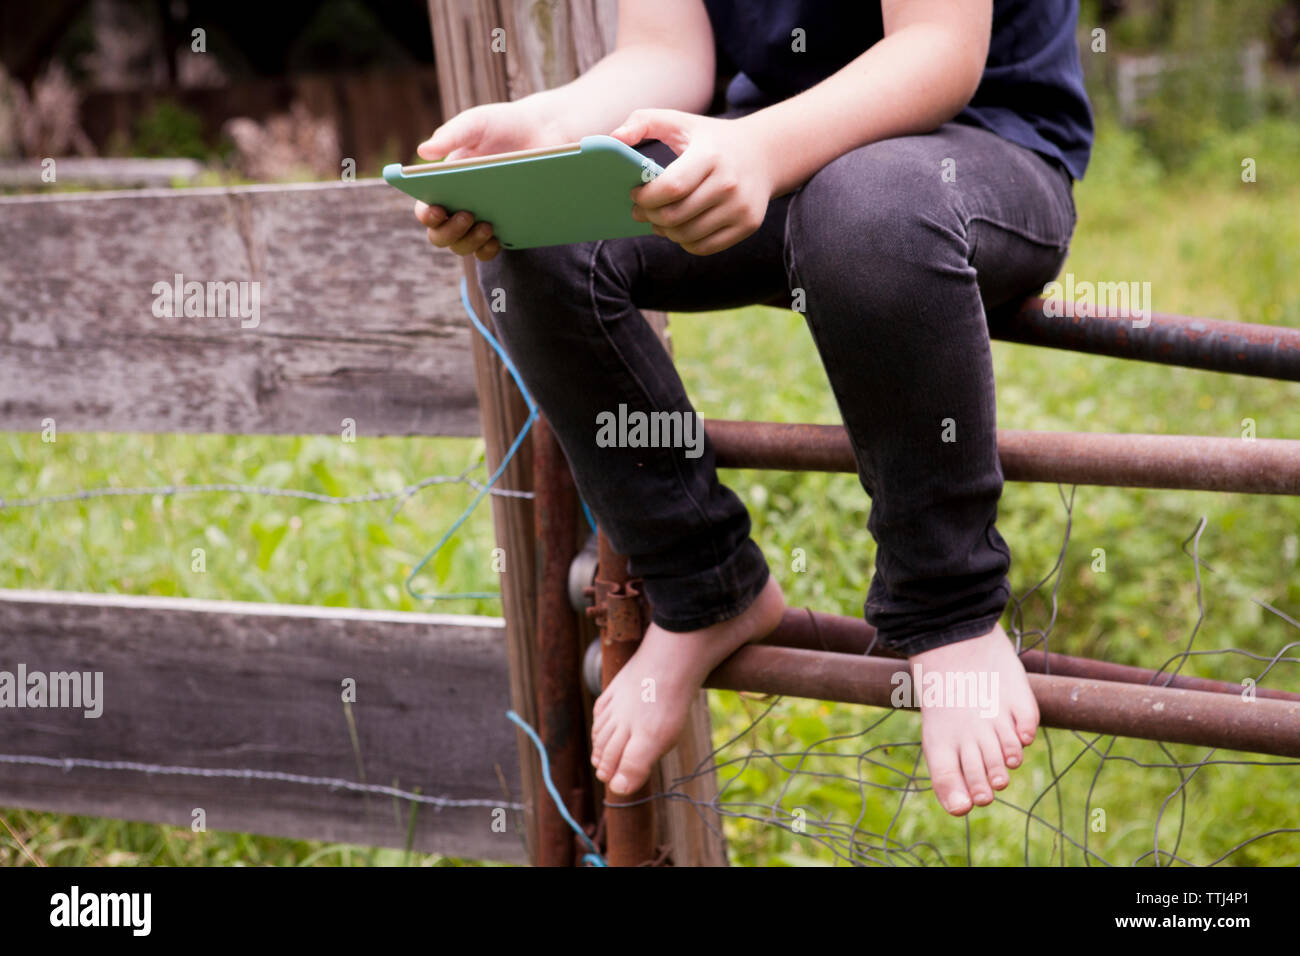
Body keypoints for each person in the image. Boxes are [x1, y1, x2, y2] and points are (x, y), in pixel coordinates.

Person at [411, 0, 1092, 817]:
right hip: (754, 143)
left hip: (981, 148)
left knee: (864, 208)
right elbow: (665, 54)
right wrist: (542, 126)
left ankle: (951, 610)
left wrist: (762, 148)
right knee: (537, 237)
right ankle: (706, 587)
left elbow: (939, 51)